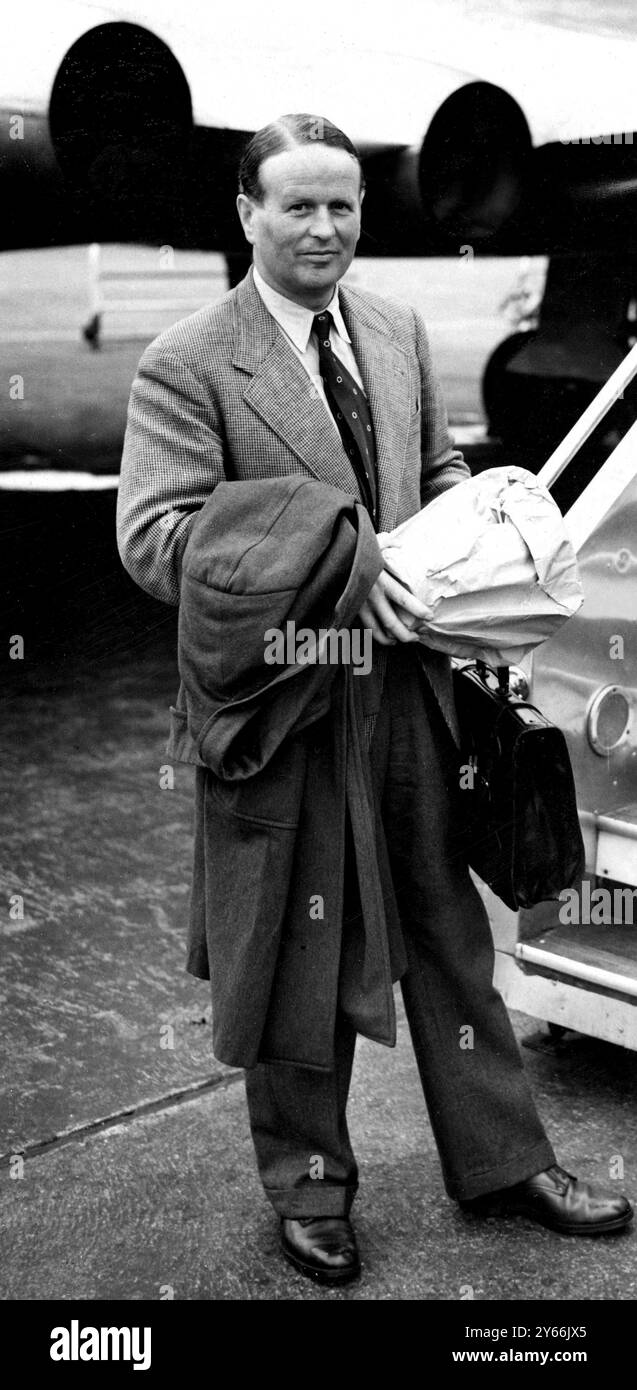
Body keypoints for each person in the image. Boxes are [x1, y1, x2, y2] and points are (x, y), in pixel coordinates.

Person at [117, 113, 633, 1286]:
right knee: (299, 946)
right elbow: (156, 541)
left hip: (407, 695)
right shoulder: (188, 360)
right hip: (285, 697)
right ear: (246, 213)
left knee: (452, 932)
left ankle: (507, 1157)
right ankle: (310, 1188)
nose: (324, 227)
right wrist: (354, 565)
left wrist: (484, 552)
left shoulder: (395, 331)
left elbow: (435, 473)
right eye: (297, 204)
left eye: (343, 204)